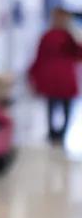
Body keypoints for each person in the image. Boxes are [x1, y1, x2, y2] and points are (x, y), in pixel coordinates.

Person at [29, 8, 82, 143]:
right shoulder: (67, 36)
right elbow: (78, 55)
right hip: (62, 77)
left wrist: (32, 74)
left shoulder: (55, 36)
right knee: (63, 106)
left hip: (55, 76)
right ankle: (60, 132)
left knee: (53, 106)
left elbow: (38, 58)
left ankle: (54, 133)